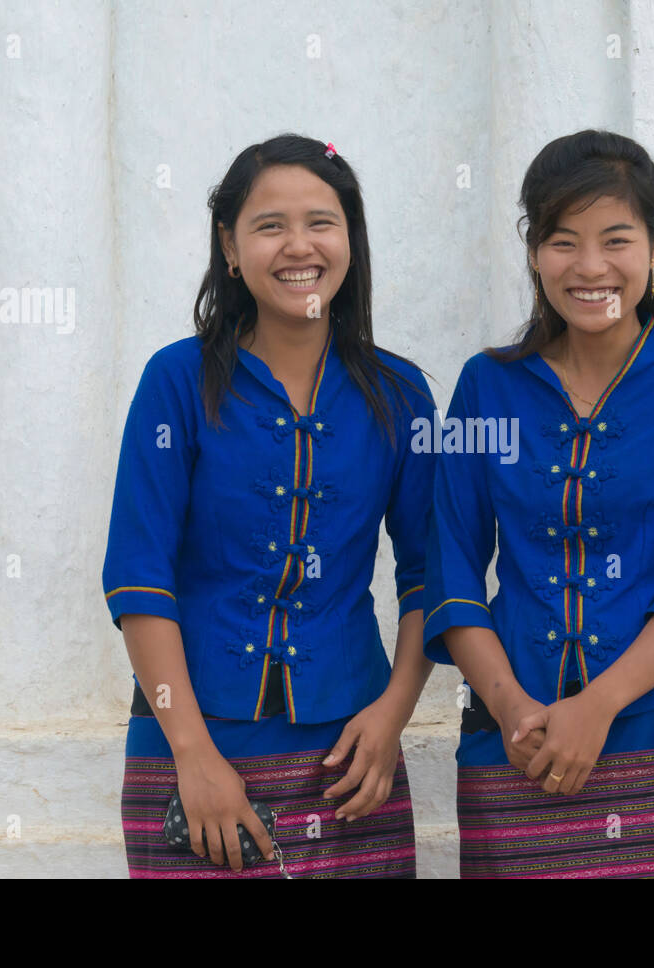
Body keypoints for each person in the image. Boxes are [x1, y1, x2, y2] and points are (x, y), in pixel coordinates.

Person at [424, 129, 654, 878]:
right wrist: (510, 709)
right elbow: (449, 571)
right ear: (534, 249)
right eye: (563, 241)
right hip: (514, 743)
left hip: (653, 735)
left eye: (616, 239)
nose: (591, 267)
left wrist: (598, 705)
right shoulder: (487, 387)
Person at [104, 134, 435, 878]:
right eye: (269, 225)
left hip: (352, 758)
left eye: (321, 221)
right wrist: (193, 756)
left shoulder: (401, 396)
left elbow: (428, 577)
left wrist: (392, 717)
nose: (298, 246)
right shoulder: (178, 382)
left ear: (351, 238)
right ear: (229, 246)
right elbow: (138, 577)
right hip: (192, 746)